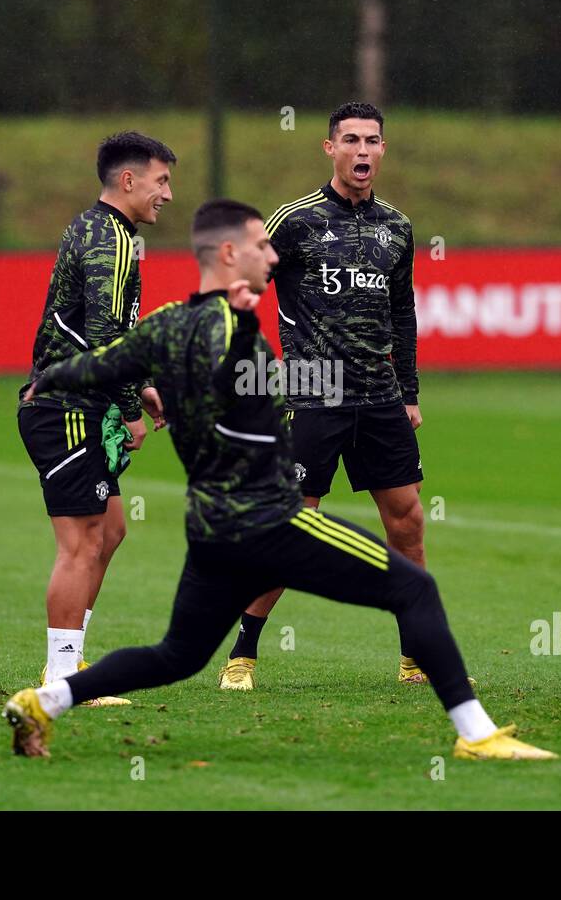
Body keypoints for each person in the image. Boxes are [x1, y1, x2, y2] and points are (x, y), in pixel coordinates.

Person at [2, 199, 555, 762]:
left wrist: (48, 386)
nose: (272, 255)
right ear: (227, 253)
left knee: (178, 655)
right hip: (265, 521)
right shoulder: (230, 336)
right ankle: (476, 735)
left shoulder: (172, 322)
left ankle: (44, 701)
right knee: (415, 587)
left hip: (211, 528)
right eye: (260, 246)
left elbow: (92, 365)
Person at [219, 101, 430, 691]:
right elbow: (243, 285)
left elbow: (402, 312)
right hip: (314, 393)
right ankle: (243, 652)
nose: (362, 151)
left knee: (408, 521)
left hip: (380, 396)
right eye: (351, 140)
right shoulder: (296, 221)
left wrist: (408, 391)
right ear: (329, 148)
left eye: (372, 141)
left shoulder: (398, 227)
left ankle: (415, 655)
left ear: (383, 150)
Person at [17, 132, 174, 705]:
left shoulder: (103, 229)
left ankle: (70, 659)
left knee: (109, 530)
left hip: (78, 403)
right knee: (80, 543)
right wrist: (131, 407)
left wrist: (143, 386)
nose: (169, 195)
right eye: (162, 181)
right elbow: (107, 337)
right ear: (128, 180)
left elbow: (105, 333)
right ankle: (61, 679)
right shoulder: (110, 237)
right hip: (66, 410)